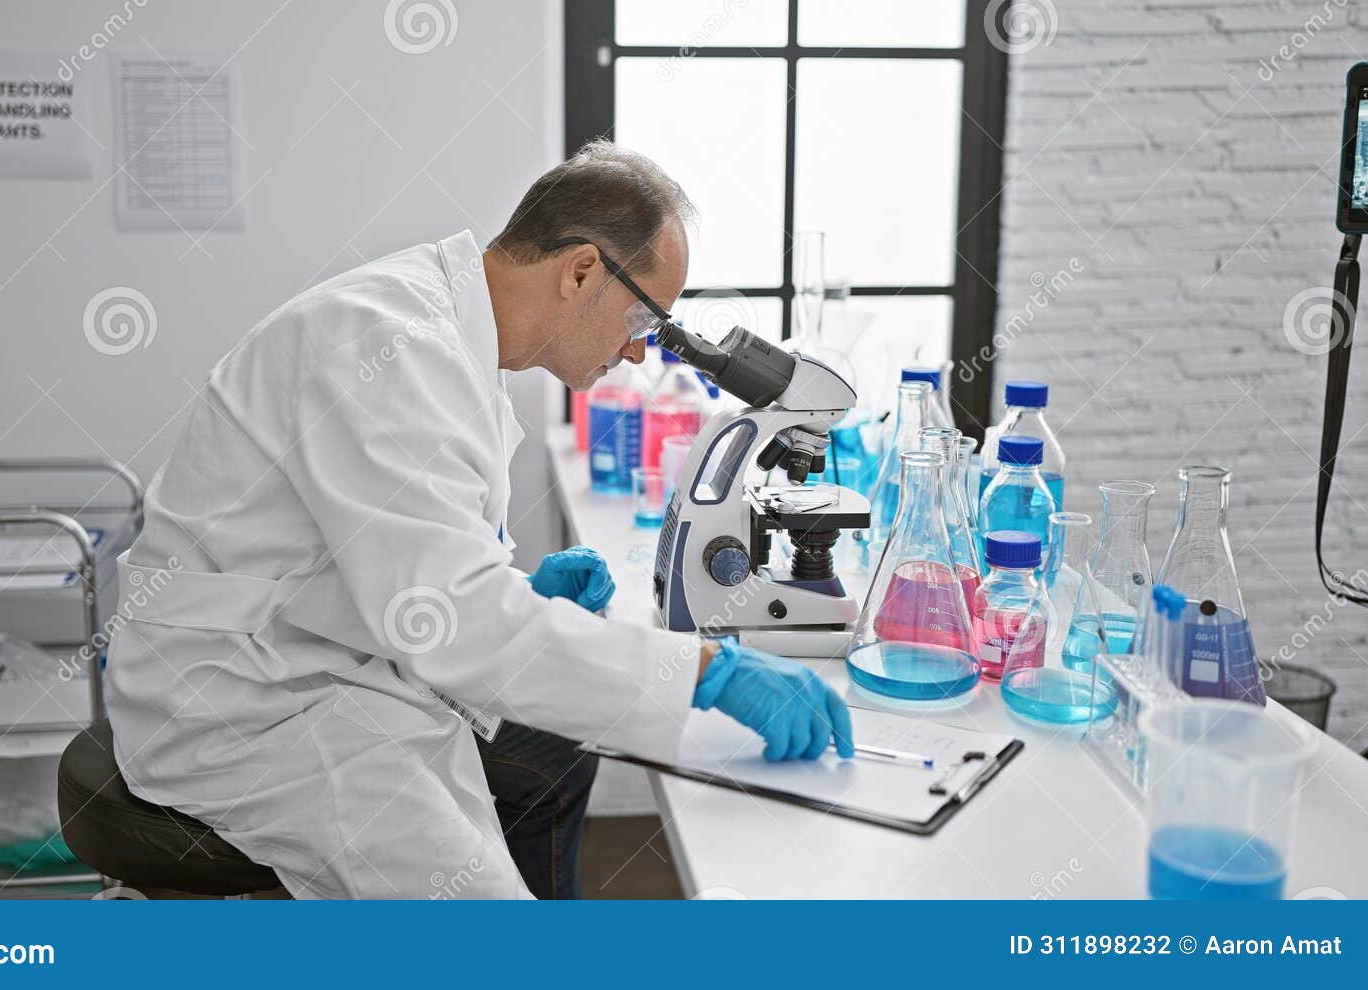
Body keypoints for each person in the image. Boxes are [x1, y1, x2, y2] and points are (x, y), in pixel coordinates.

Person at [104, 141, 854, 900]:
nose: (638, 350)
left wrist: (520, 587)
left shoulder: (452, 335)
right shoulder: (388, 345)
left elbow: (404, 563)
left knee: (551, 763)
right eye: (644, 318)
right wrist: (705, 672)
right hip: (244, 701)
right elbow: (456, 621)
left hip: (323, 659)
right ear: (582, 271)